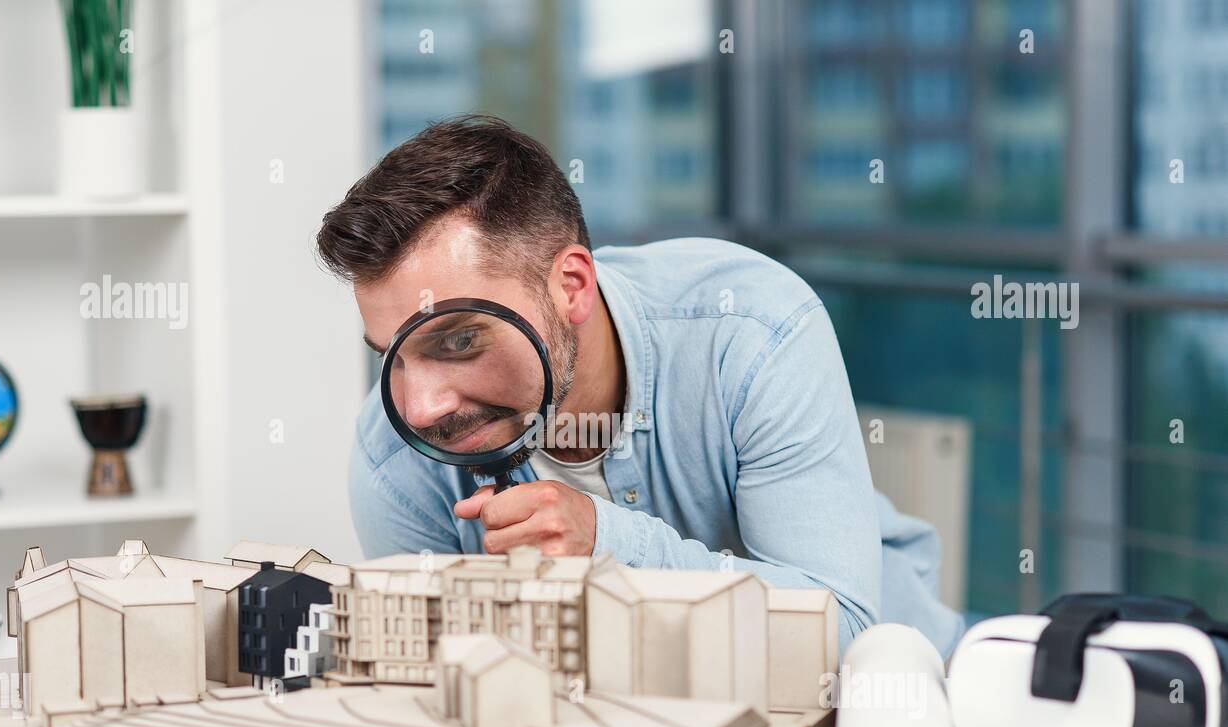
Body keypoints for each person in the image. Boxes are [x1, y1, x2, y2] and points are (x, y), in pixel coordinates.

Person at [316, 115, 964, 657]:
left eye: (459, 341)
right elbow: (436, 689)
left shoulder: (750, 331)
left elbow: (841, 632)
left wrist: (607, 543)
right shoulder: (393, 459)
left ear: (570, 285)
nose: (422, 406)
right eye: (393, 356)